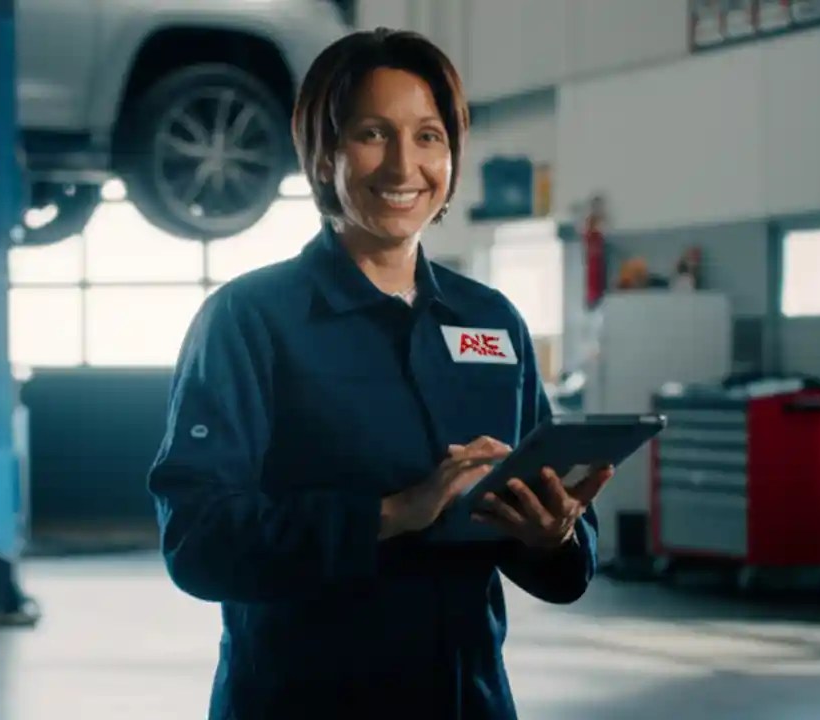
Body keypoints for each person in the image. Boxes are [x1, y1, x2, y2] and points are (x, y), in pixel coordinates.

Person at [147, 28, 614, 720]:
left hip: (468, 700)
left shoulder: (492, 322)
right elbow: (199, 539)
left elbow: (555, 552)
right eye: (373, 133)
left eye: (429, 136)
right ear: (324, 154)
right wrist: (389, 514)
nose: (405, 165)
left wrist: (554, 535)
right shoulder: (251, 321)